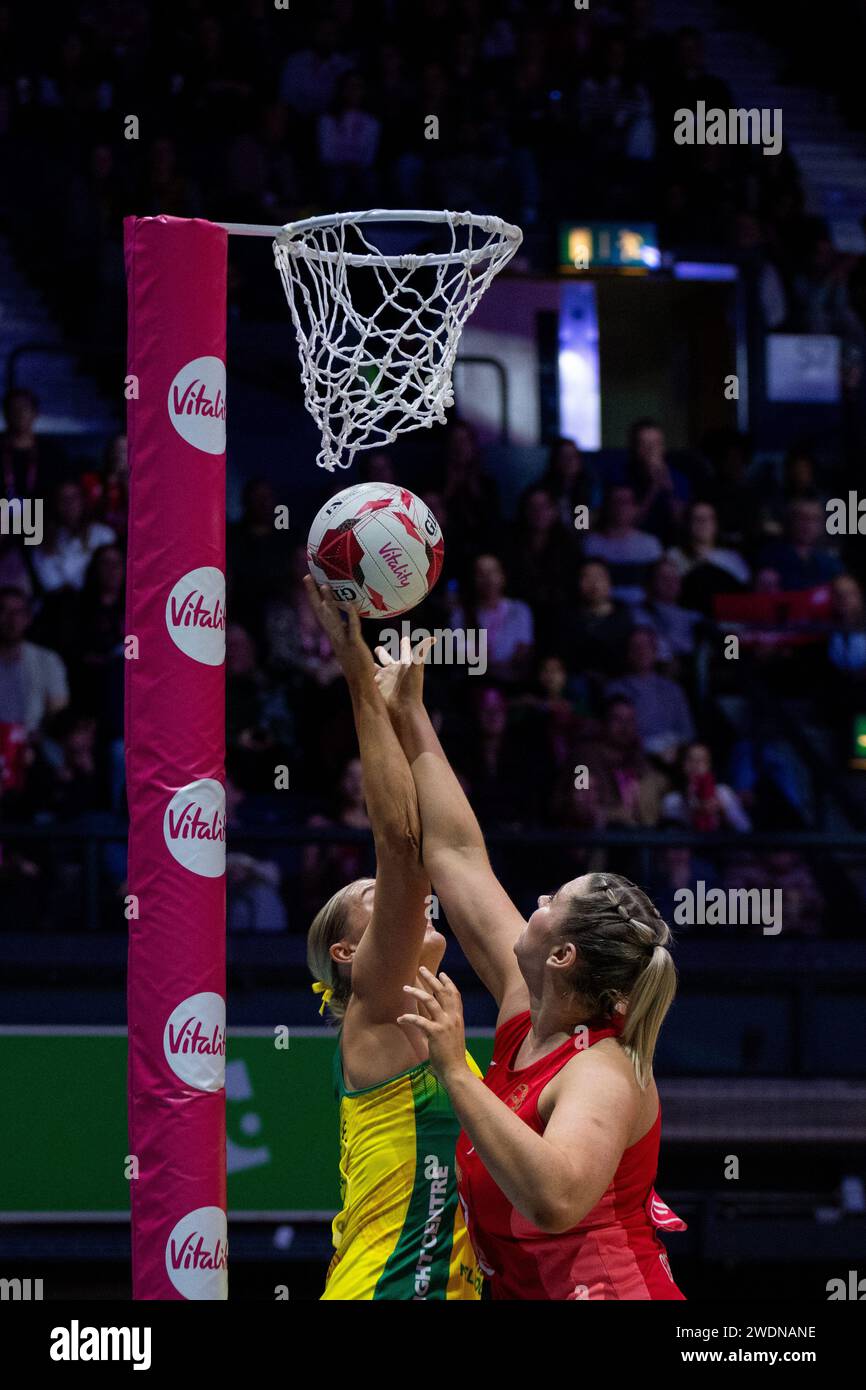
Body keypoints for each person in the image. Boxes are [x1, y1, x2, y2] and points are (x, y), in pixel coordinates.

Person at [374, 648, 686, 1300]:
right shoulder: (528, 1007)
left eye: (550, 903)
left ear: (563, 955)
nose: (534, 905)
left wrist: (455, 1070)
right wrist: (410, 715)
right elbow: (457, 853)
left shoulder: (601, 1071)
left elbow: (554, 1199)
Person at [304, 581, 481, 1301]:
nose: (413, 904)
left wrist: (409, 712)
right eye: (375, 907)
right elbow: (404, 847)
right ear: (350, 954)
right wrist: (358, 679)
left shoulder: (432, 1014)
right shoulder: (375, 1008)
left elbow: (452, 851)